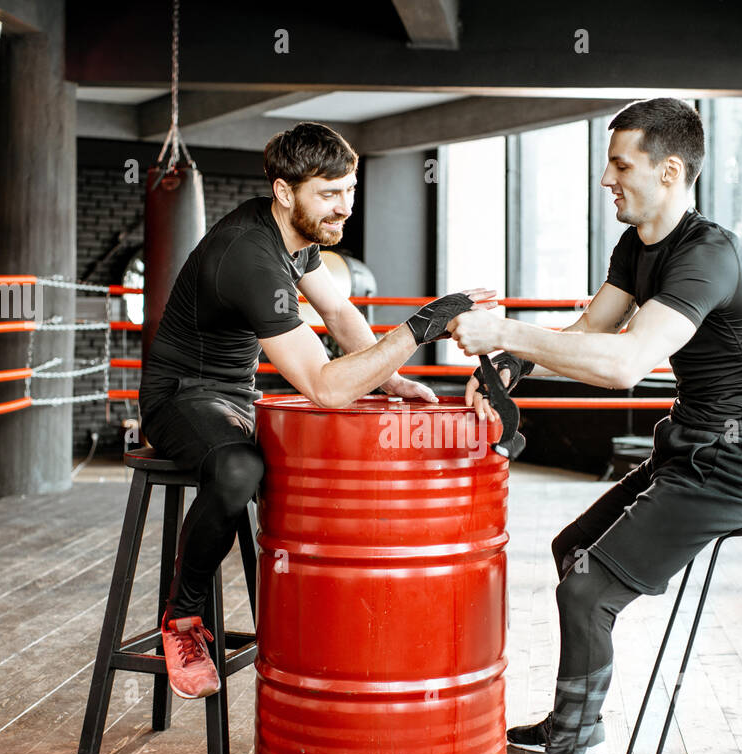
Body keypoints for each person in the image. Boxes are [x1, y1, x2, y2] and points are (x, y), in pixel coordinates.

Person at [447, 98, 742, 754]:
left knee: (586, 589)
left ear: (669, 171)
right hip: (684, 450)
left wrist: (502, 330)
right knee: (573, 549)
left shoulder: (709, 255)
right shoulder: (639, 244)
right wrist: (513, 361)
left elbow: (626, 362)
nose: (606, 179)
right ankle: (582, 728)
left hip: (730, 468)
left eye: (620, 164)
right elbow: (592, 330)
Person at [139, 121, 493, 699]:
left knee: (310, 460)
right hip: (181, 396)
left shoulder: (295, 237)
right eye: (329, 194)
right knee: (238, 469)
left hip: (237, 395)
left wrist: (392, 381)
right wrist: (417, 329)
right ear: (285, 192)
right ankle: (183, 620)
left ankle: (314, 627)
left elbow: (340, 313)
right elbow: (326, 387)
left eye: (350, 190)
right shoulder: (250, 256)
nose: (344, 208)